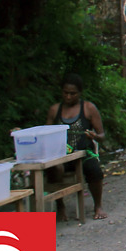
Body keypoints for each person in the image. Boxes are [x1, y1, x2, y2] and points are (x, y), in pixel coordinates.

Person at [45, 73, 108, 220]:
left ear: (80, 93)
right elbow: (46, 134)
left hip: (84, 154)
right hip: (61, 156)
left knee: (94, 170)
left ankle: (98, 206)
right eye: (65, 93)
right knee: (53, 169)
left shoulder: (88, 108)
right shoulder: (55, 110)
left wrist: (95, 136)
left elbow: (102, 135)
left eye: (72, 94)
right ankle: (60, 205)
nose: (68, 97)